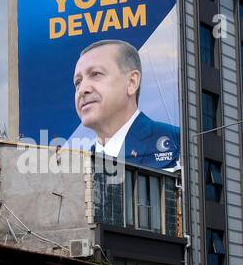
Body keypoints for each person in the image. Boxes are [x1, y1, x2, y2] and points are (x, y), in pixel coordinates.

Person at [72, 39, 180, 170]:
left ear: (132, 82)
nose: (82, 89)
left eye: (95, 74)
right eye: (78, 82)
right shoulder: (77, 170)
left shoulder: (179, 143)